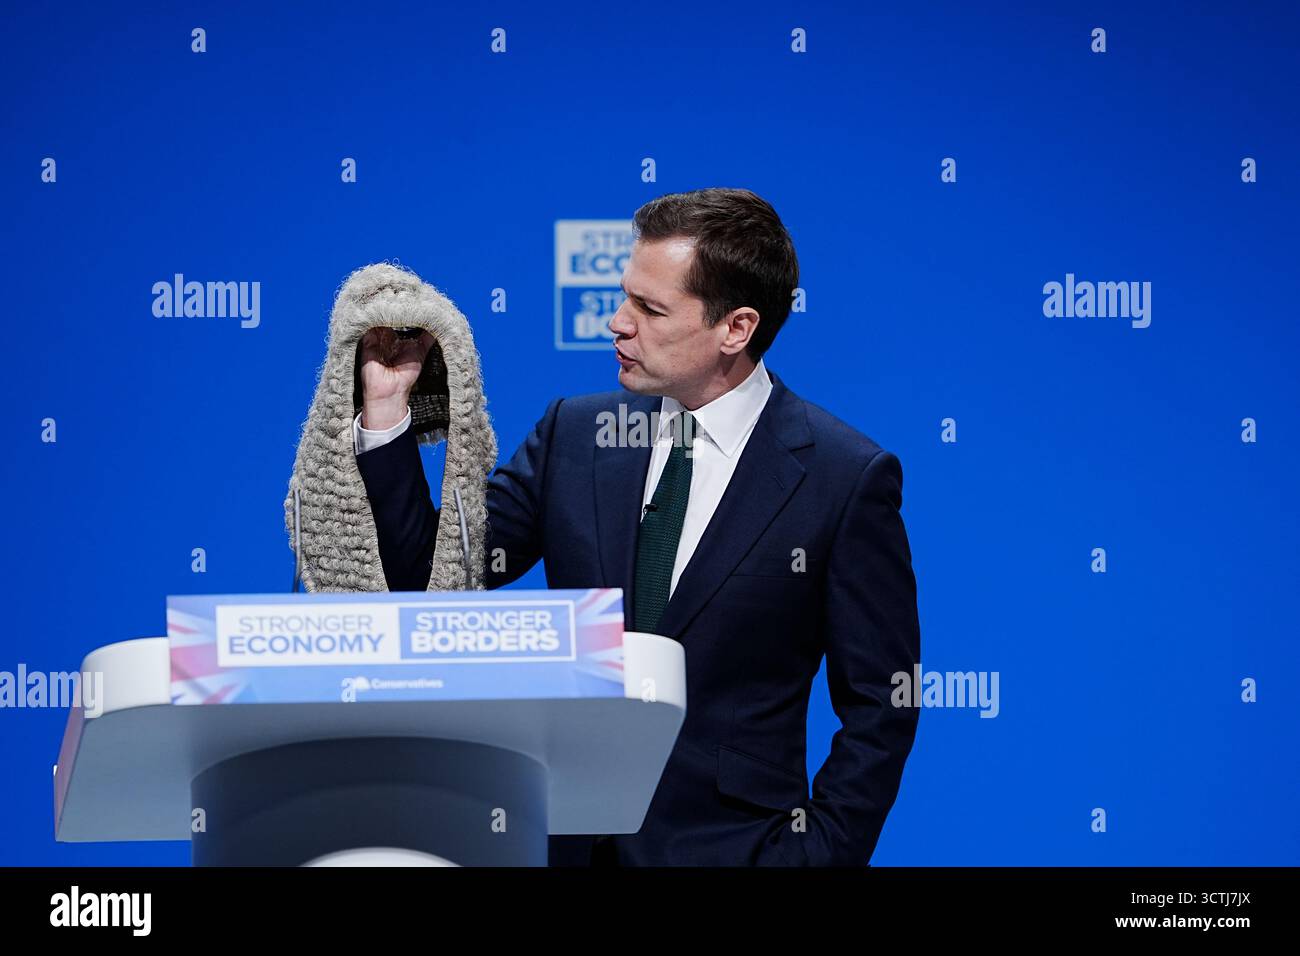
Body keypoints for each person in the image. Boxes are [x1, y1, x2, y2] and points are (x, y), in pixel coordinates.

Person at [353, 187, 921, 866]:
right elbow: (432, 575)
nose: (617, 323)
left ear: (735, 328)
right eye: (625, 297)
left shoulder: (842, 476)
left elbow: (882, 706)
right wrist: (388, 411)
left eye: (650, 309)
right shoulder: (576, 434)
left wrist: (815, 856)